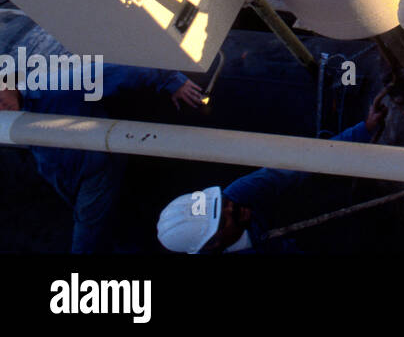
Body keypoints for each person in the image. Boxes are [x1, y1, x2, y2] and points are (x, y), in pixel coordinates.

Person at [0, 30, 204, 253]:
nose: (2, 108)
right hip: (64, 173)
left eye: (0, 99)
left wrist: (172, 81)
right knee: (110, 222)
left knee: (87, 236)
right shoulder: (20, 106)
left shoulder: (54, 86)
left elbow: (113, 71)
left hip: (94, 168)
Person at [156, 96, 387, 253]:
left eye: (223, 202)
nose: (231, 206)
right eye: (226, 217)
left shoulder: (241, 194)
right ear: (213, 243)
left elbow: (304, 164)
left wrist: (364, 129)